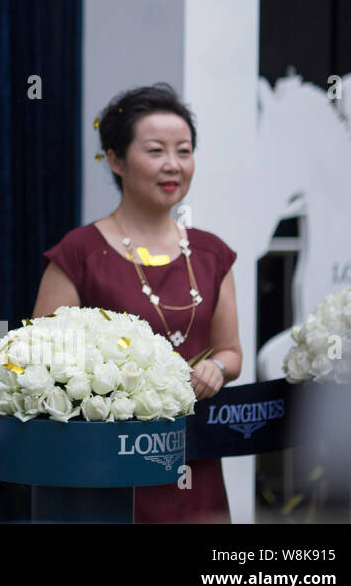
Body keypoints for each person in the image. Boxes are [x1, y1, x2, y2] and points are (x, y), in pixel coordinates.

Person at [32, 83, 242, 523]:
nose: (173, 165)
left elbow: (231, 351)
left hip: (192, 460)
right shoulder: (80, 252)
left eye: (184, 151)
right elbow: (43, 357)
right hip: (108, 466)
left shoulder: (212, 254)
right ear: (115, 160)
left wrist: (217, 368)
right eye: (155, 150)